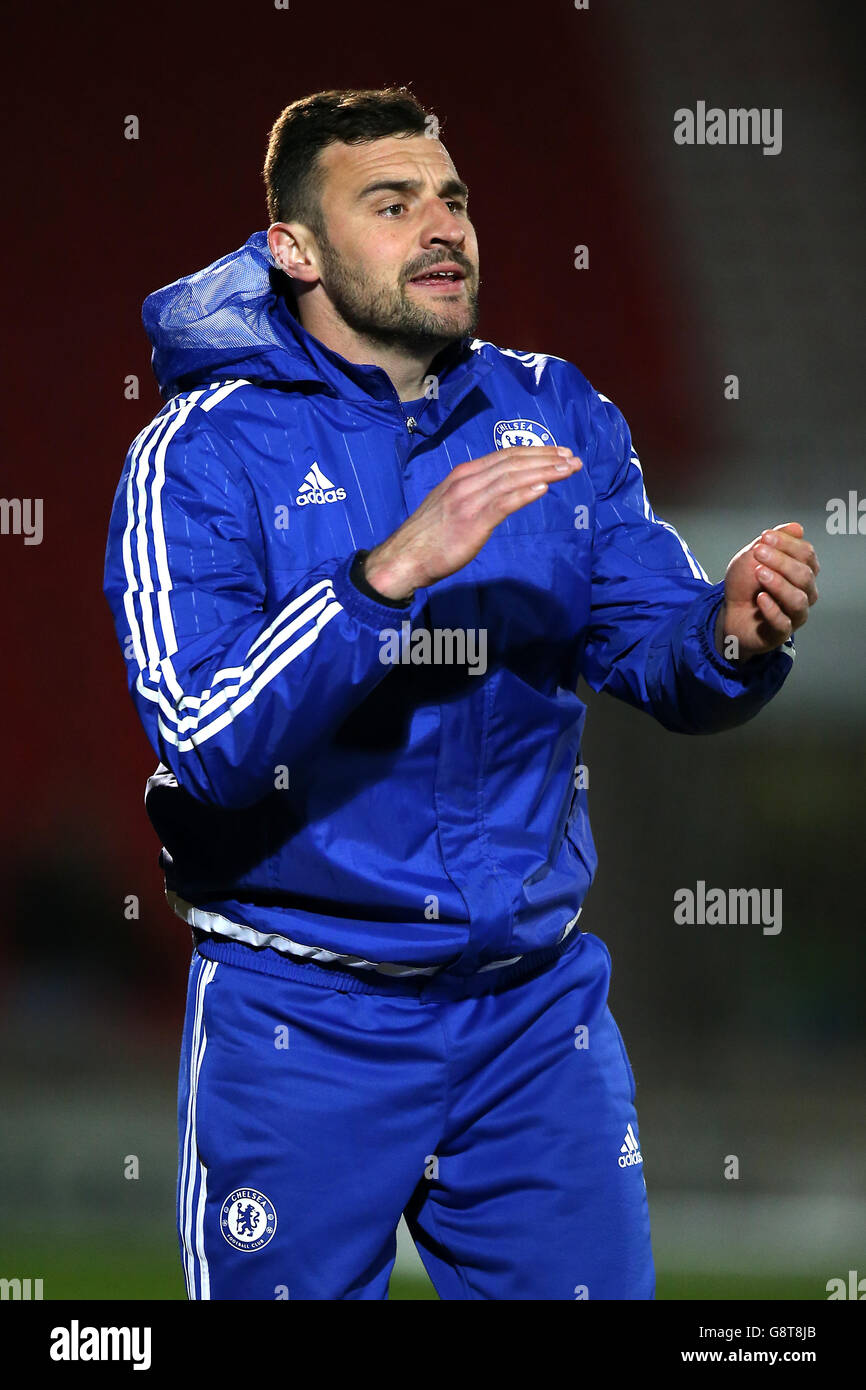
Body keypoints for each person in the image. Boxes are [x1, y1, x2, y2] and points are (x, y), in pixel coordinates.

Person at [102, 86, 819, 1301]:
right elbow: (210, 738)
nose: (442, 226)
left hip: (531, 1019)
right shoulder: (202, 451)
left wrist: (728, 634)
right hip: (302, 1017)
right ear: (296, 249)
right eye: (390, 204)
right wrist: (381, 581)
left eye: (452, 197)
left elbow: (651, 643)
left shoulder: (554, 409)